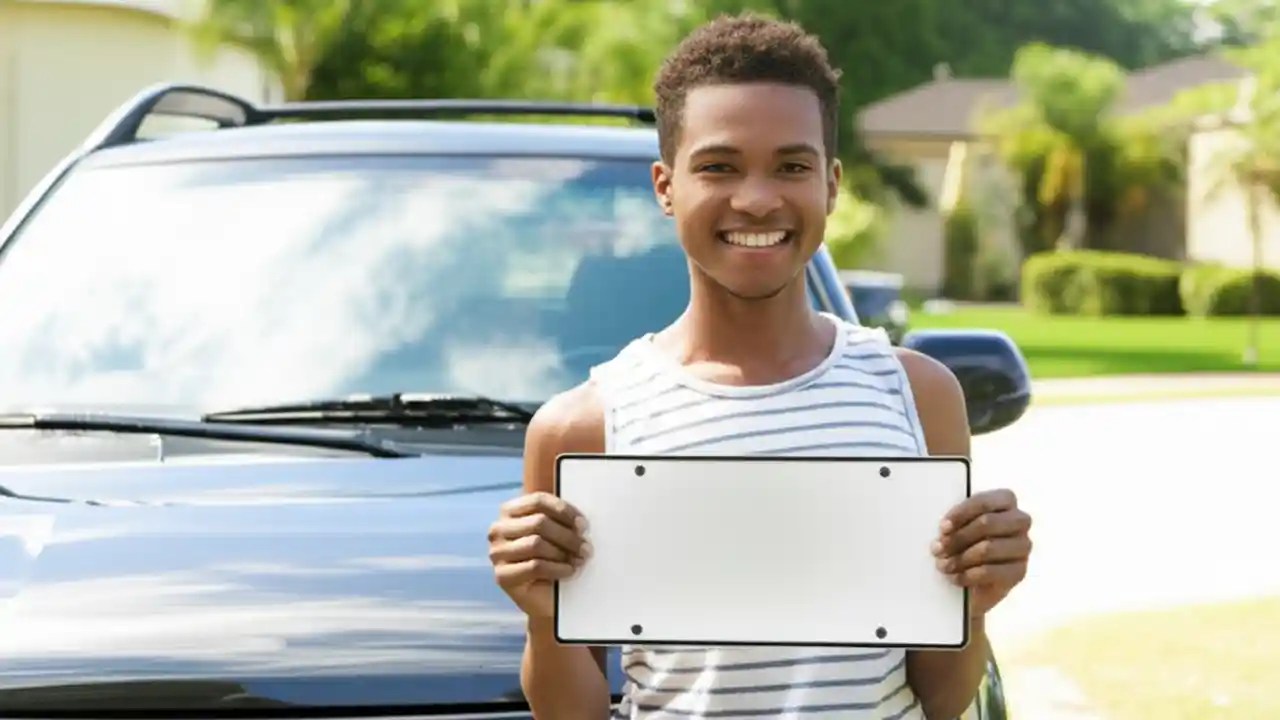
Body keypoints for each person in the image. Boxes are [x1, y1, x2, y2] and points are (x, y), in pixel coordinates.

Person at [486, 12, 1033, 720]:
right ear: (665, 186)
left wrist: (974, 603)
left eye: (792, 166)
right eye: (718, 166)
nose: (757, 198)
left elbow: (943, 696)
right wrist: (540, 615)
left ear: (831, 186)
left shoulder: (916, 396)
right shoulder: (580, 428)